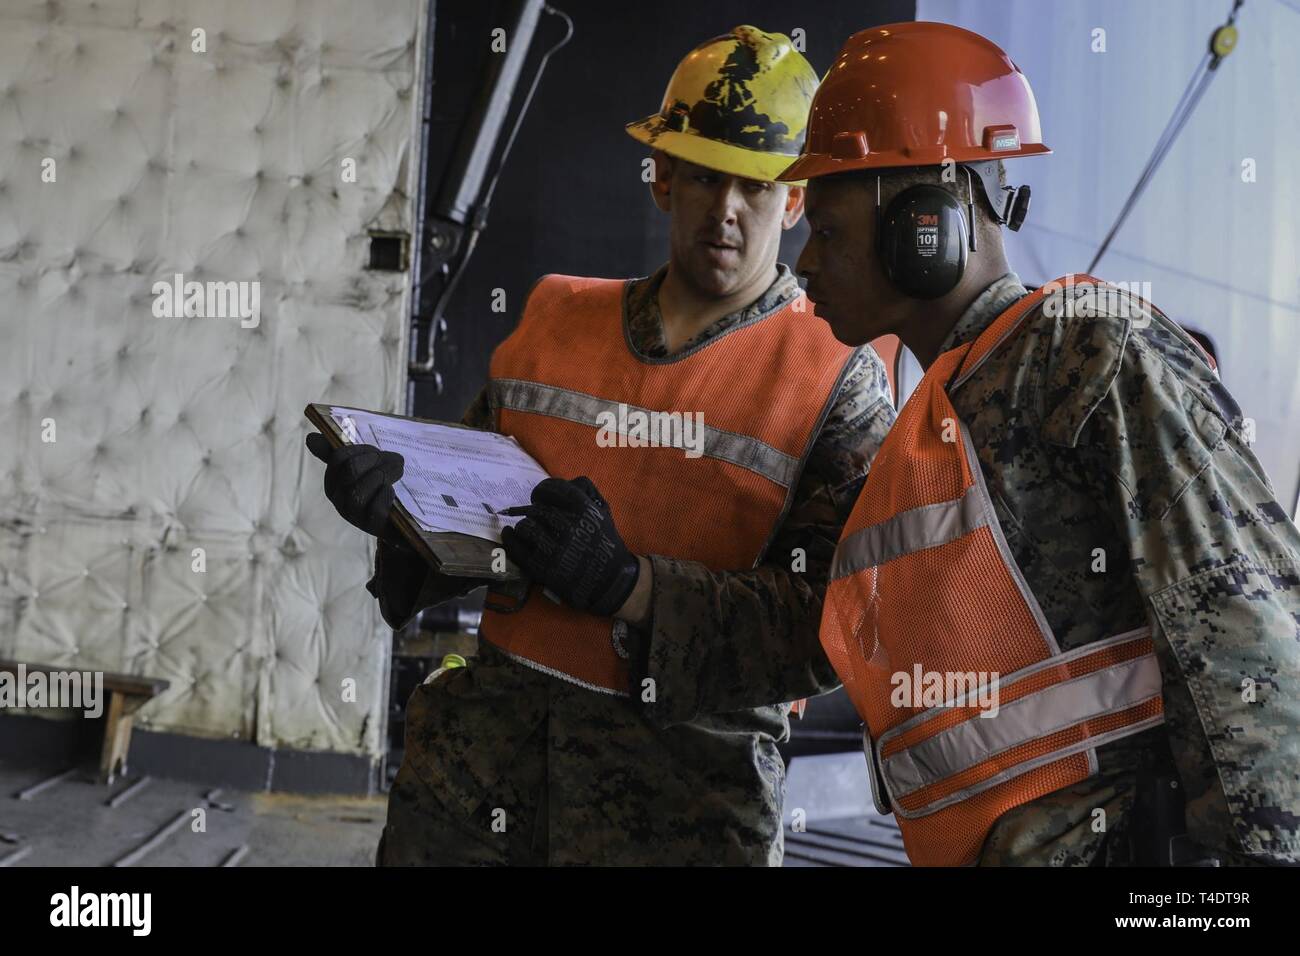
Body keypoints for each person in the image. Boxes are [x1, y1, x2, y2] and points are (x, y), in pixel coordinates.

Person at [308, 25, 897, 865]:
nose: (725, 210)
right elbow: (475, 525)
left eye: (754, 187)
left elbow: (828, 629)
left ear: (794, 200)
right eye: (702, 176)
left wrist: (630, 587)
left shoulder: (841, 380)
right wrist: (399, 527)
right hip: (477, 790)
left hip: (677, 811)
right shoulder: (557, 317)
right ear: (663, 179)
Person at [780, 21, 1300, 866]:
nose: (804, 263)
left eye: (828, 230)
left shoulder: (1091, 350)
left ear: (927, 224)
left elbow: (1247, 636)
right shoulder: (936, 419)